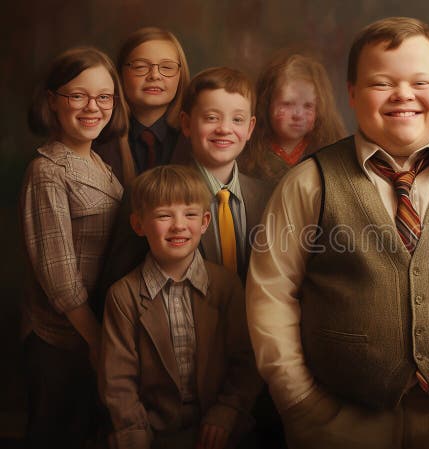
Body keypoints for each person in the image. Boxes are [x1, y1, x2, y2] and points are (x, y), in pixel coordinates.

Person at [246, 16, 429, 449]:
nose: (402, 95)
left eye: (420, 82)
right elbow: (271, 294)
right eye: (381, 83)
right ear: (351, 93)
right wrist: (300, 403)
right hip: (339, 425)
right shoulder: (308, 183)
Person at [99, 165, 262, 449]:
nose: (178, 225)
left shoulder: (226, 286)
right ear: (139, 225)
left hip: (221, 428)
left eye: (190, 214)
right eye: (164, 215)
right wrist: (135, 434)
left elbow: (246, 362)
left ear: (205, 222)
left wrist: (227, 411)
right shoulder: (123, 296)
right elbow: (118, 382)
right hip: (151, 432)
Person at [21, 46, 127, 449]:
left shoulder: (100, 165)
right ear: (52, 101)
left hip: (96, 336)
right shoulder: (47, 171)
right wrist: (99, 344)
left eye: (104, 96)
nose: (92, 107)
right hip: (64, 343)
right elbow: (60, 279)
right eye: (77, 95)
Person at [98, 66, 271, 293]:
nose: (224, 129)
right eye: (211, 118)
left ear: (250, 128)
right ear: (187, 124)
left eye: (237, 120)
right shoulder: (150, 192)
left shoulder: (270, 197)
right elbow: (119, 285)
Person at [94, 27, 192, 186]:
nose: (154, 75)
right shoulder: (97, 139)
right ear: (120, 74)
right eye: (140, 67)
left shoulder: (195, 139)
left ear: (181, 75)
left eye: (167, 67)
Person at [239, 53, 346, 183]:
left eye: (308, 106)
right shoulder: (250, 157)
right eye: (287, 104)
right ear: (267, 104)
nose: (298, 115)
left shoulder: (327, 156)